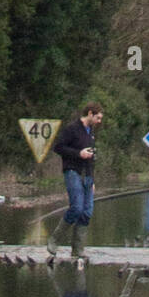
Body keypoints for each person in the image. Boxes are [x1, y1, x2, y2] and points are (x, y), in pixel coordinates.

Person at [47, 103, 104, 259]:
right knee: (77, 208)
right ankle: (54, 240)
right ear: (90, 114)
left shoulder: (91, 132)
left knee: (87, 212)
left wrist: (92, 180)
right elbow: (58, 147)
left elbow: (91, 158)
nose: (99, 121)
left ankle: (78, 250)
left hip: (87, 175)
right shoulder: (72, 129)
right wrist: (79, 153)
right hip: (72, 171)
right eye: (98, 117)